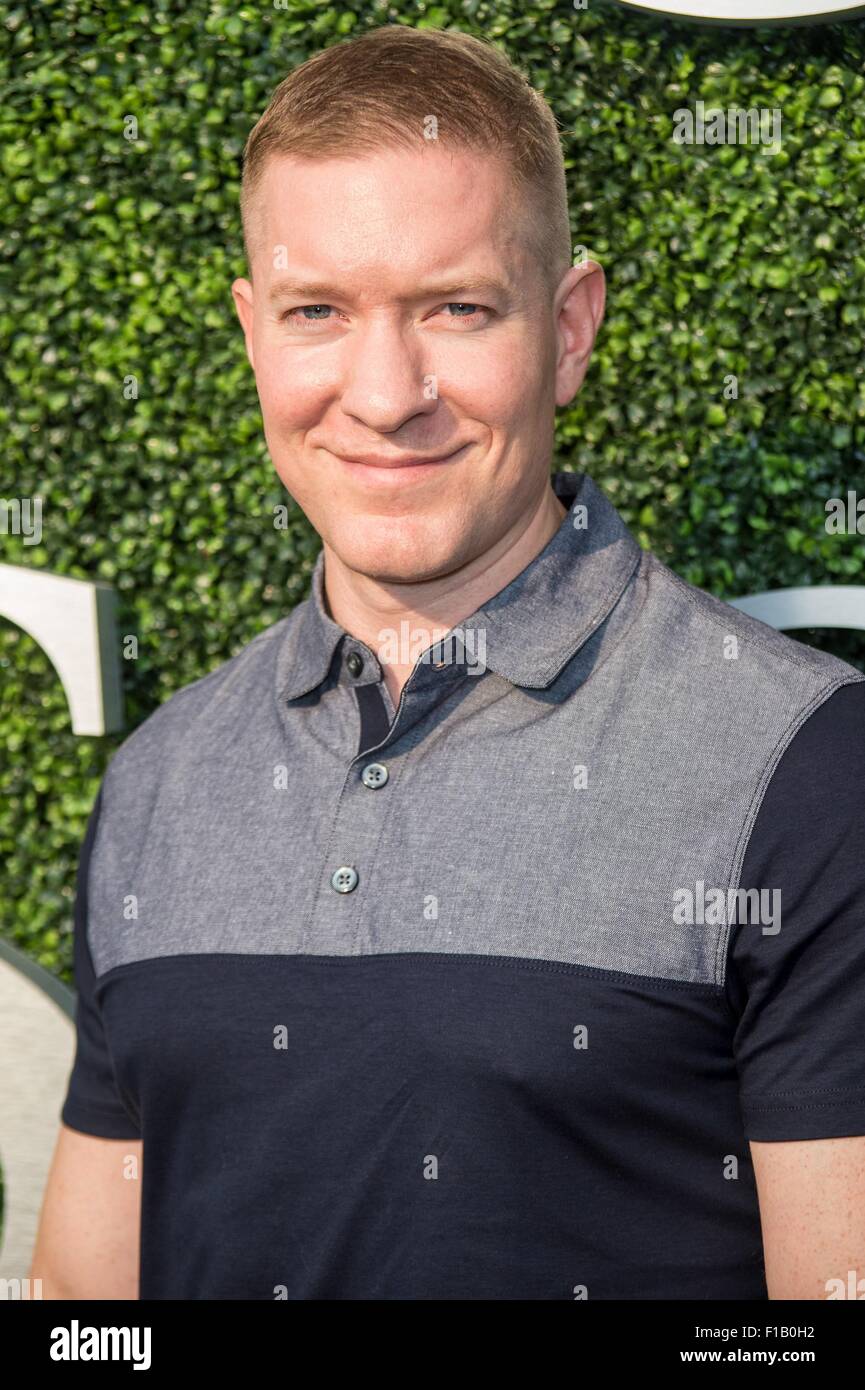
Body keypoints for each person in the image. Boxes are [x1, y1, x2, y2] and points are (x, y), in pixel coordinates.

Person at [32, 24, 865, 1300]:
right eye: (319, 311)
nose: (382, 392)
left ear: (569, 327)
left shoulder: (803, 764)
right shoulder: (159, 777)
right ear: (253, 334)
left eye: (456, 309)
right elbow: (88, 1321)